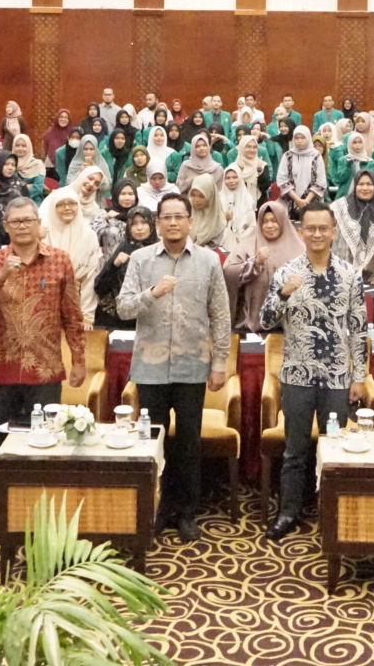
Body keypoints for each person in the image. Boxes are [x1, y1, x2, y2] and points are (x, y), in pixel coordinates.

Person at [0, 195, 87, 533]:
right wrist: (1, 274)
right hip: (3, 371)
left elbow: (72, 315)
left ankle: (40, 515)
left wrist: (78, 360)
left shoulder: (60, 261)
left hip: (45, 372)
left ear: (39, 224)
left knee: (44, 446)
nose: (23, 227)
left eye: (28, 220)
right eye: (16, 222)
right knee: (0, 448)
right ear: (5, 226)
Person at [115, 193, 231, 542]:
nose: (173, 223)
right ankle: (157, 507)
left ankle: (187, 512)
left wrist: (220, 362)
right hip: (150, 368)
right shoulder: (140, 260)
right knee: (153, 440)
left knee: (189, 443)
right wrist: (152, 293)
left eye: (179, 216)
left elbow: (220, 315)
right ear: (157, 222)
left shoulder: (209, 261)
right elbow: (122, 308)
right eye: (166, 217)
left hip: (193, 365)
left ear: (190, 221)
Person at [260, 200, 367, 540]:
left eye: (324, 228)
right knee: (295, 451)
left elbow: (359, 329)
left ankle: (334, 512)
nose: (318, 233)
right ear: (301, 231)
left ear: (334, 231)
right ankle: (288, 512)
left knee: (336, 450)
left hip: (338, 377)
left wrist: (359, 376)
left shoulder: (351, 275)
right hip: (297, 376)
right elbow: (264, 321)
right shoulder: (286, 272)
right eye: (311, 228)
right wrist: (283, 294)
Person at [223, 200, 304, 333]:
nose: (269, 225)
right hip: (253, 325)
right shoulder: (247, 245)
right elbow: (228, 271)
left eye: (274, 220)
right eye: (264, 221)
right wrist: (255, 263)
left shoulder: (299, 248)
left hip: (293, 327)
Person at [39, 185, 103, 326]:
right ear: (53, 208)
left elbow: (90, 280)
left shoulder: (88, 236)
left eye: (71, 203)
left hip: (77, 307)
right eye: (61, 204)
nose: (67, 208)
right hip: (44, 308)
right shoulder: (44, 236)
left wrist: (87, 316)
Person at [331, 169, 374, 284]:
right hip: (339, 274)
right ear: (355, 185)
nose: (365, 188)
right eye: (361, 184)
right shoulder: (339, 207)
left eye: (369, 184)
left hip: (370, 275)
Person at [277, 126, 326, 219]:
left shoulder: (316, 156)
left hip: (312, 202)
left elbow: (321, 182)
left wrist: (305, 201)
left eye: (303, 138)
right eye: (297, 138)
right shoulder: (287, 155)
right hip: (290, 201)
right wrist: (298, 200)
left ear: (308, 138)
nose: (299, 141)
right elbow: (282, 180)